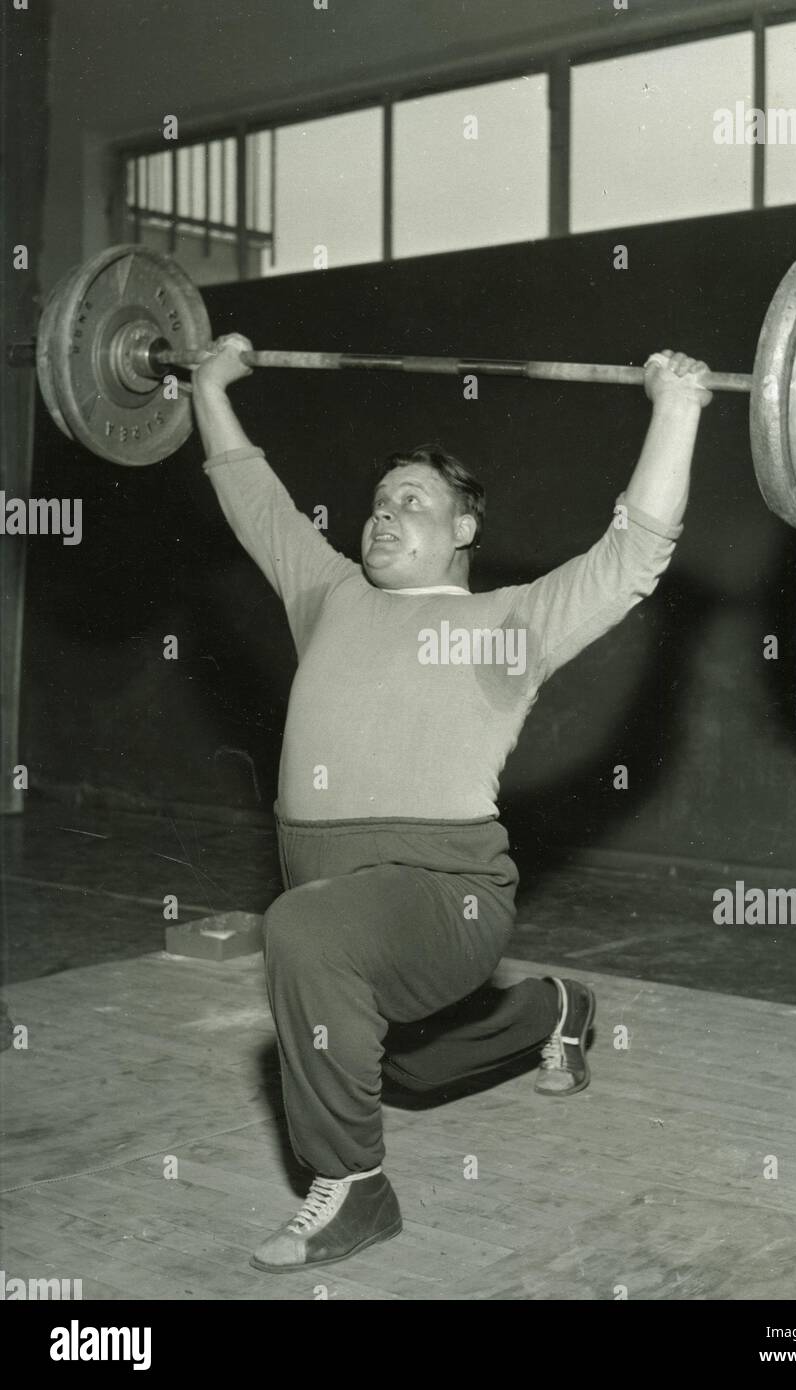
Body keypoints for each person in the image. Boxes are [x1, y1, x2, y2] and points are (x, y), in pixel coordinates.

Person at [191, 337, 712, 1271]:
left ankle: (355, 1190)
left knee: (305, 935)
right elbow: (249, 494)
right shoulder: (328, 593)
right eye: (381, 501)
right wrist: (207, 385)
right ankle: (555, 1008)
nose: (386, 515)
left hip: (442, 891)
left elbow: (632, 555)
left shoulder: (502, 624)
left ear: (465, 529)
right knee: (402, 1065)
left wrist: (675, 407)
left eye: (415, 502)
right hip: (343, 896)